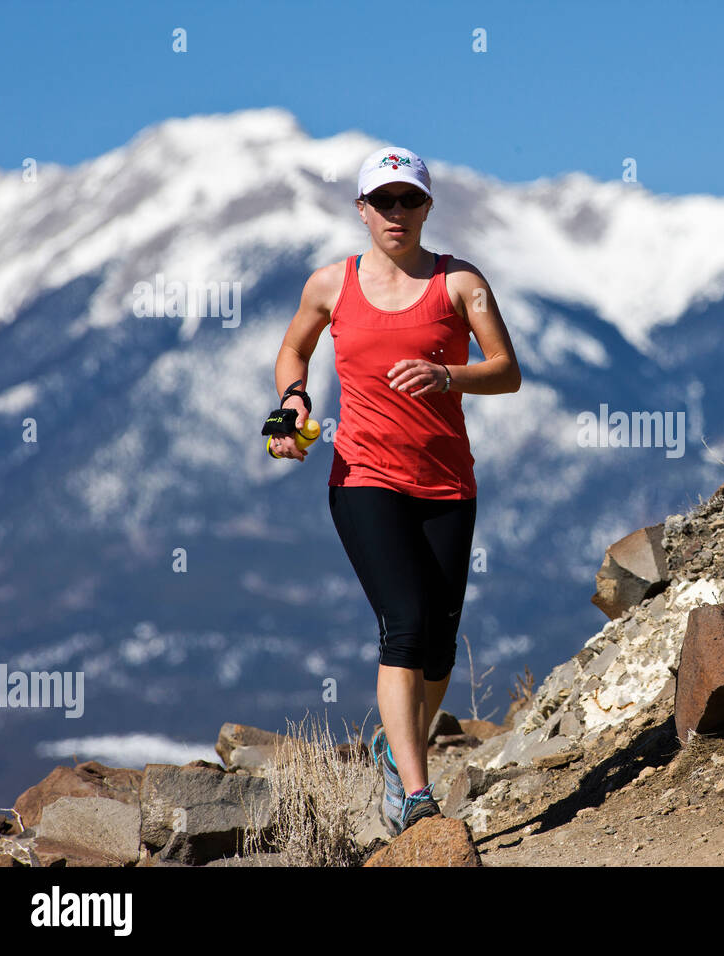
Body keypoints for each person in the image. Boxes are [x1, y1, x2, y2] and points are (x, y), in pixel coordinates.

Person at [268, 145, 522, 835]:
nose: (397, 212)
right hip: (362, 477)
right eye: (383, 201)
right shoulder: (331, 284)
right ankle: (416, 794)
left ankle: (391, 745)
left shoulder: (460, 283)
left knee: (440, 646)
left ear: (428, 207)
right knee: (405, 624)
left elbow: (506, 372)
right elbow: (294, 351)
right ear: (362, 210)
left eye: (410, 199)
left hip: (447, 482)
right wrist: (292, 404)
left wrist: (449, 377)